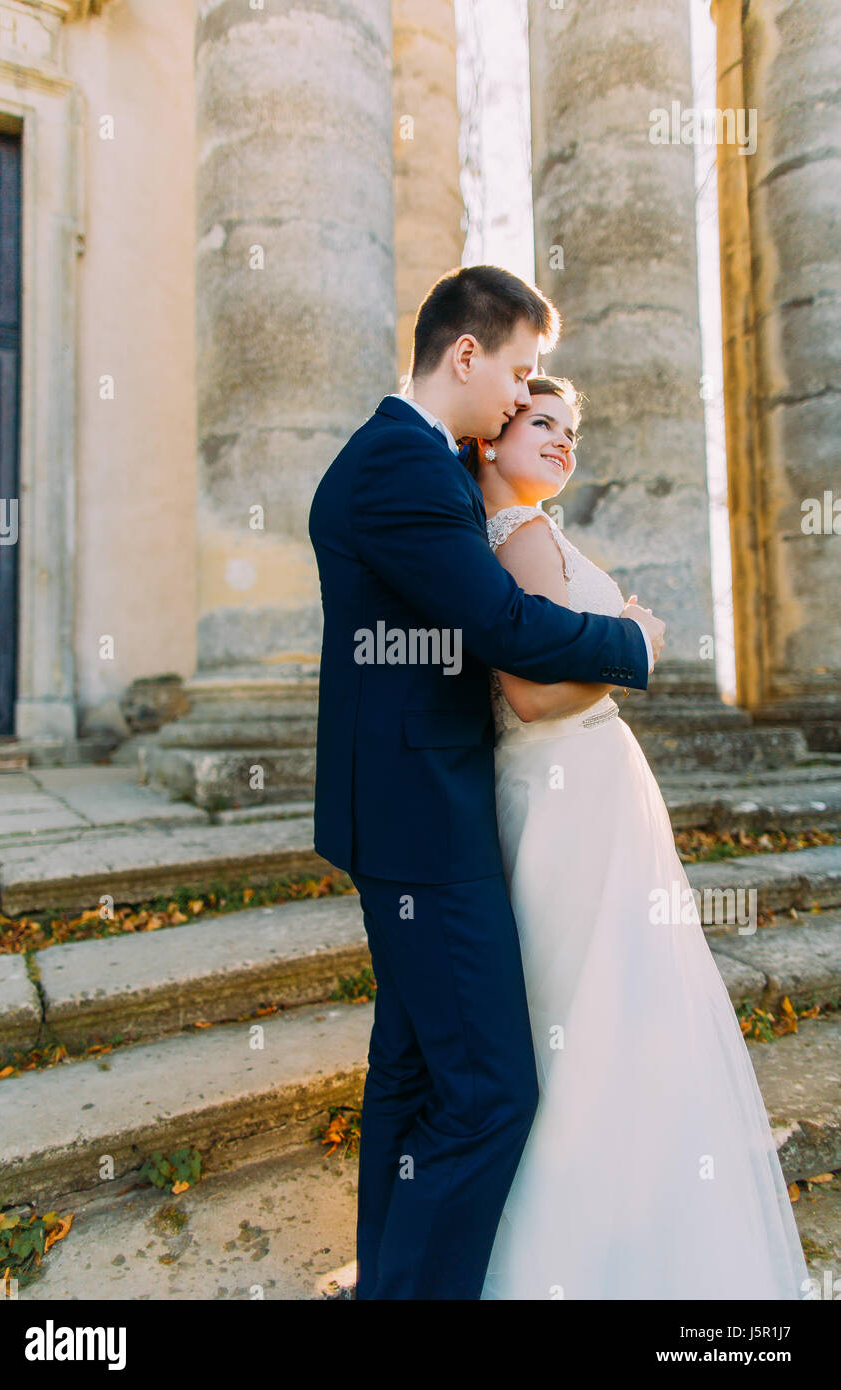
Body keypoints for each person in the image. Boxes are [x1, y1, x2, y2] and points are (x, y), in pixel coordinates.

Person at [308, 264, 664, 1299]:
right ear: (464, 354)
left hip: (413, 805)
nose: (521, 398)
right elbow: (502, 628)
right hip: (425, 819)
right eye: (516, 372)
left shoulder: (414, 461)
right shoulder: (400, 467)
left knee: (412, 1075)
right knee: (491, 1094)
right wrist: (631, 640)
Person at [464, 375, 809, 1299]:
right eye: (543, 423)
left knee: (607, 1013)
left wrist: (614, 639)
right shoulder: (514, 536)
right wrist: (634, 644)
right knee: (590, 1021)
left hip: (588, 795)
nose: (565, 442)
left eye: (572, 430)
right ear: (492, 437)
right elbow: (532, 694)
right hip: (566, 794)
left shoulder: (535, 532)